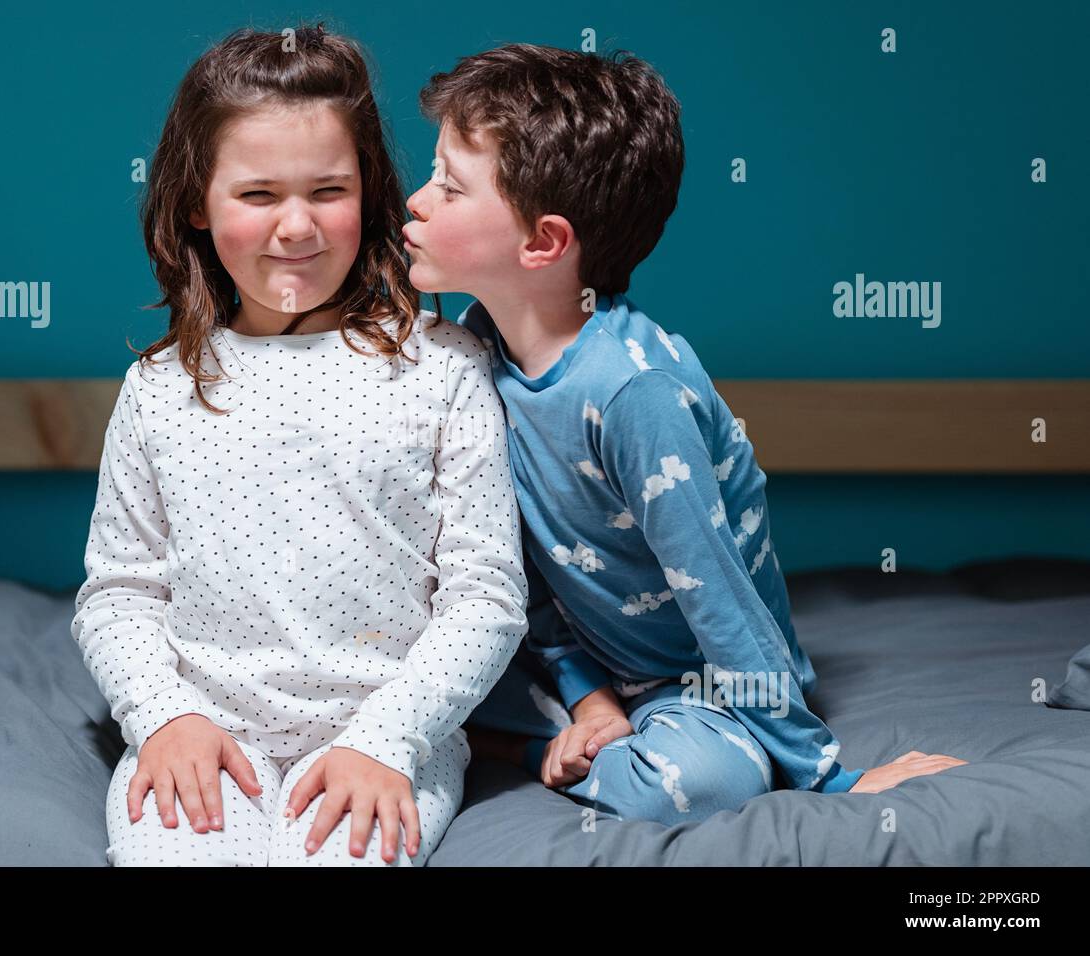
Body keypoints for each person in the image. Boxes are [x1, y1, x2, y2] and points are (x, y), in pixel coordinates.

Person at [401, 42, 966, 825]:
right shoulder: (474, 345)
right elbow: (517, 561)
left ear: (543, 243)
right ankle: (568, 731)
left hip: (700, 685)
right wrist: (588, 699)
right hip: (581, 668)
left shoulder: (634, 391)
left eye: (449, 187)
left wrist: (827, 776)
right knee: (397, 652)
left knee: (701, 783)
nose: (417, 201)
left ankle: (529, 748)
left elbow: (721, 597)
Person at [72, 25, 528, 865]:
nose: (297, 226)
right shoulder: (161, 389)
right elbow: (118, 594)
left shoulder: (445, 372)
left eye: (328, 190)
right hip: (202, 740)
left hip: (385, 741)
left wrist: (388, 740)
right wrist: (164, 719)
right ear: (196, 207)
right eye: (257, 195)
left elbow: (486, 595)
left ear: (371, 192)